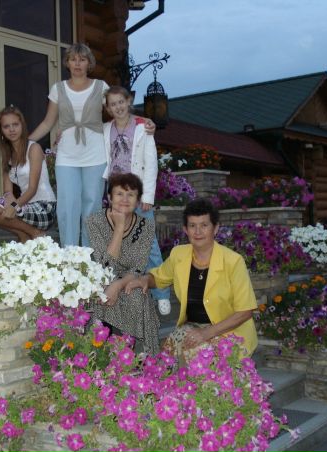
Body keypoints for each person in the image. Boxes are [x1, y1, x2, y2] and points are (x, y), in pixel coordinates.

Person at [28, 43, 155, 247]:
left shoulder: (100, 86)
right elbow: (47, 122)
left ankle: (88, 254)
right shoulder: (58, 89)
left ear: (89, 63)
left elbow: (118, 110)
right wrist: (27, 143)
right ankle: (69, 253)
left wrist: (143, 121)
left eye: (82, 59)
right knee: (67, 206)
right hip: (67, 157)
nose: (77, 63)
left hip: (96, 155)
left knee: (92, 206)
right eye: (73, 59)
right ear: (67, 63)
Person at [126, 198, 258, 363]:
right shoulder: (179, 254)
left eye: (204, 225)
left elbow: (245, 311)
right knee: (165, 359)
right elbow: (159, 277)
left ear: (215, 228)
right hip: (193, 328)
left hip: (230, 332)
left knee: (198, 355)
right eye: (192, 226)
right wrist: (145, 280)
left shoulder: (233, 261)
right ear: (185, 230)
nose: (198, 232)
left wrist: (207, 333)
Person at [103, 85, 171, 316]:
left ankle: (161, 293)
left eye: (121, 102)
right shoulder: (105, 129)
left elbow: (151, 164)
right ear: (108, 108)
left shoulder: (143, 127)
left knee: (149, 245)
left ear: (128, 101)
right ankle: (124, 292)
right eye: (113, 104)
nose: (118, 107)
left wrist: (148, 196)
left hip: (137, 194)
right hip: (116, 197)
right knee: (120, 244)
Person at [86, 173, 160, 354]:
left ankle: (133, 356)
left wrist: (118, 285)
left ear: (138, 200)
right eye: (119, 194)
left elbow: (138, 267)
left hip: (129, 279)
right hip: (102, 277)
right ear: (110, 197)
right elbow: (105, 264)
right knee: (102, 295)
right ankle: (100, 352)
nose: (125, 199)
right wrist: (119, 228)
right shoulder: (95, 221)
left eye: (131, 194)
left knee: (136, 295)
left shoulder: (146, 226)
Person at [0, 106, 56, 242]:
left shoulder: (33, 148)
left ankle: (35, 233)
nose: (11, 129)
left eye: (15, 124)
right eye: (6, 126)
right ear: (1, 131)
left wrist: (14, 206)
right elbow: (7, 191)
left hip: (44, 206)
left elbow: (32, 189)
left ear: (22, 125)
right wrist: (8, 198)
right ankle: (22, 233)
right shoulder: (8, 155)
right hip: (24, 205)